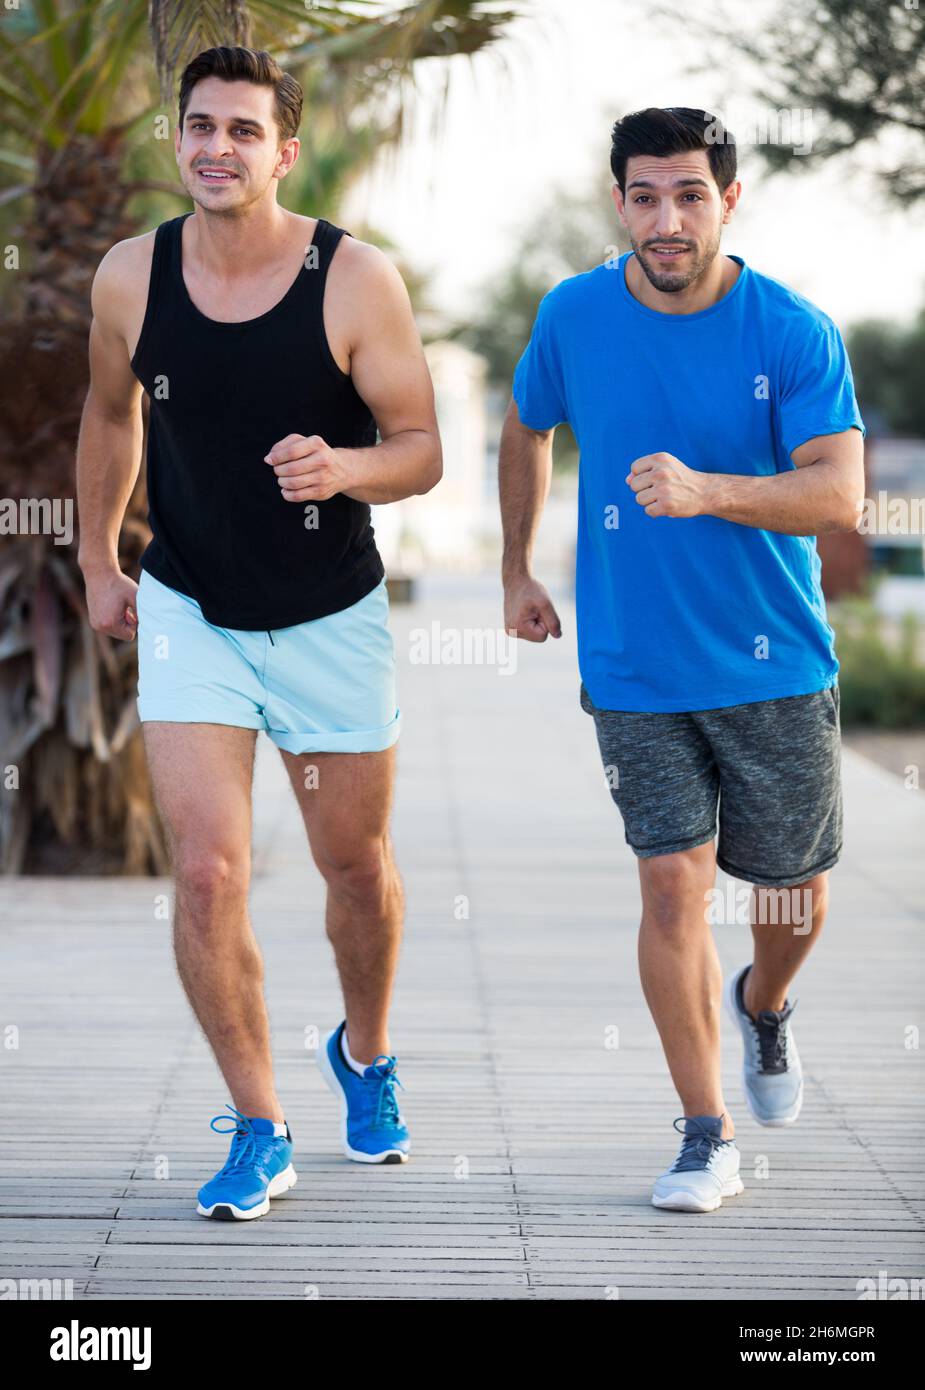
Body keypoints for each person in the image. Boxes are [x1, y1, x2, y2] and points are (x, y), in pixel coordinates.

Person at [76, 46, 441, 1220]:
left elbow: (421, 447)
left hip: (330, 616)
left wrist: (345, 466)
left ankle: (367, 1053)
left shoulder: (353, 280)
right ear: (174, 140)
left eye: (243, 130)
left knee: (354, 869)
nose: (216, 147)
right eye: (198, 126)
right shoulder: (131, 277)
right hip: (191, 609)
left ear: (285, 150)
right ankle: (258, 1121)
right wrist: (96, 556)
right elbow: (105, 412)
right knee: (206, 872)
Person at [499, 107, 865, 1213]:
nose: (667, 219)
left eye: (690, 195)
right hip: (633, 666)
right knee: (670, 884)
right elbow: (525, 425)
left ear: (728, 202)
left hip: (774, 666)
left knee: (793, 896)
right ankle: (704, 1134)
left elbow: (838, 494)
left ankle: (762, 1005)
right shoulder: (572, 314)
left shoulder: (790, 330)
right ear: (619, 202)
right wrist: (516, 567)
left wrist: (708, 491)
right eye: (646, 196)